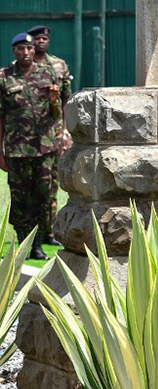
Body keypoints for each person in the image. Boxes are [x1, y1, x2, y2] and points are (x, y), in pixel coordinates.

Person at [0, 32, 67, 259]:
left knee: (44, 196)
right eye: (20, 49)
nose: (26, 52)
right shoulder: (4, 77)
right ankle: (23, 242)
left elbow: (56, 113)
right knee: (20, 199)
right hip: (16, 149)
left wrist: (53, 102)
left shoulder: (47, 74)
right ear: (14, 51)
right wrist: (0, 150)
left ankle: (37, 245)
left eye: (28, 49)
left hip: (44, 149)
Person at [25, 25, 71, 246]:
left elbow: (65, 100)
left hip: (53, 135)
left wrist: (64, 130)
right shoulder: (24, 68)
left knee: (52, 185)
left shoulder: (59, 65)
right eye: (37, 38)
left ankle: (50, 232)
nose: (41, 41)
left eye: (44, 38)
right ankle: (32, 234)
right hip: (26, 139)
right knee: (31, 189)